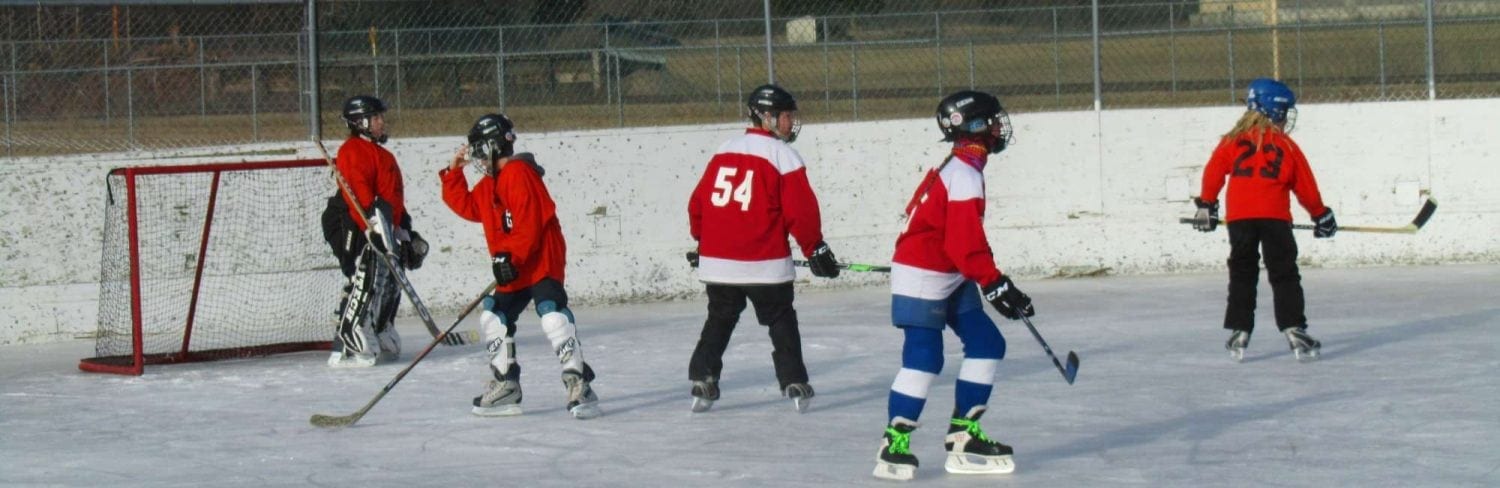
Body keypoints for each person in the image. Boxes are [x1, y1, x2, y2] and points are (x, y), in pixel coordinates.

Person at [874, 90, 1031, 481]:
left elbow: (961, 239)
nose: (999, 127)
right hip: (924, 275)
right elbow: (963, 242)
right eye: (992, 121)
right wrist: (994, 283)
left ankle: (963, 435)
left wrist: (993, 280)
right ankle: (894, 444)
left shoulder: (962, 166)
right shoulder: (963, 173)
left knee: (987, 344)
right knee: (925, 358)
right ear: (975, 126)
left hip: (951, 272)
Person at [685, 84, 840, 414]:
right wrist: (814, 247)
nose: (791, 122)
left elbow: (698, 203)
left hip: (719, 264)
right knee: (780, 319)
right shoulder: (782, 155)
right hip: (765, 264)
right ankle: (793, 381)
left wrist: (702, 241)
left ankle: (703, 376)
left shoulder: (725, 149)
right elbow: (801, 211)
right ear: (767, 117)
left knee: (720, 318)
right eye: (786, 116)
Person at [441, 113, 601, 419]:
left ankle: (578, 382)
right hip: (513, 263)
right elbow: (469, 207)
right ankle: (506, 386)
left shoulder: (519, 173)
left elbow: (529, 223)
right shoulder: (491, 183)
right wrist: (453, 173)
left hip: (539, 259)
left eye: (479, 149)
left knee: (551, 314)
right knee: (493, 316)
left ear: (493, 145)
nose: (477, 157)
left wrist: (509, 258)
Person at [1194, 77, 1334, 363]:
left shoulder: (1232, 141)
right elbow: (1305, 186)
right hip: (1275, 219)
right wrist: (1321, 215)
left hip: (1240, 220)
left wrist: (1207, 205)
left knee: (1242, 272)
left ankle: (1240, 330)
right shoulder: (1286, 145)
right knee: (1284, 274)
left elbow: (1213, 172)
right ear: (1275, 111)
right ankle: (1294, 329)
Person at [327, 94, 415, 368]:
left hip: (379, 222)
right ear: (360, 122)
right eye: (375, 117)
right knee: (363, 274)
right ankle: (348, 336)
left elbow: (392, 197)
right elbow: (359, 193)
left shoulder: (384, 155)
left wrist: (403, 227)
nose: (381, 122)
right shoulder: (352, 150)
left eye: (380, 117)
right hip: (351, 222)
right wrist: (372, 225)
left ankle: (380, 324)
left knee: (390, 275)